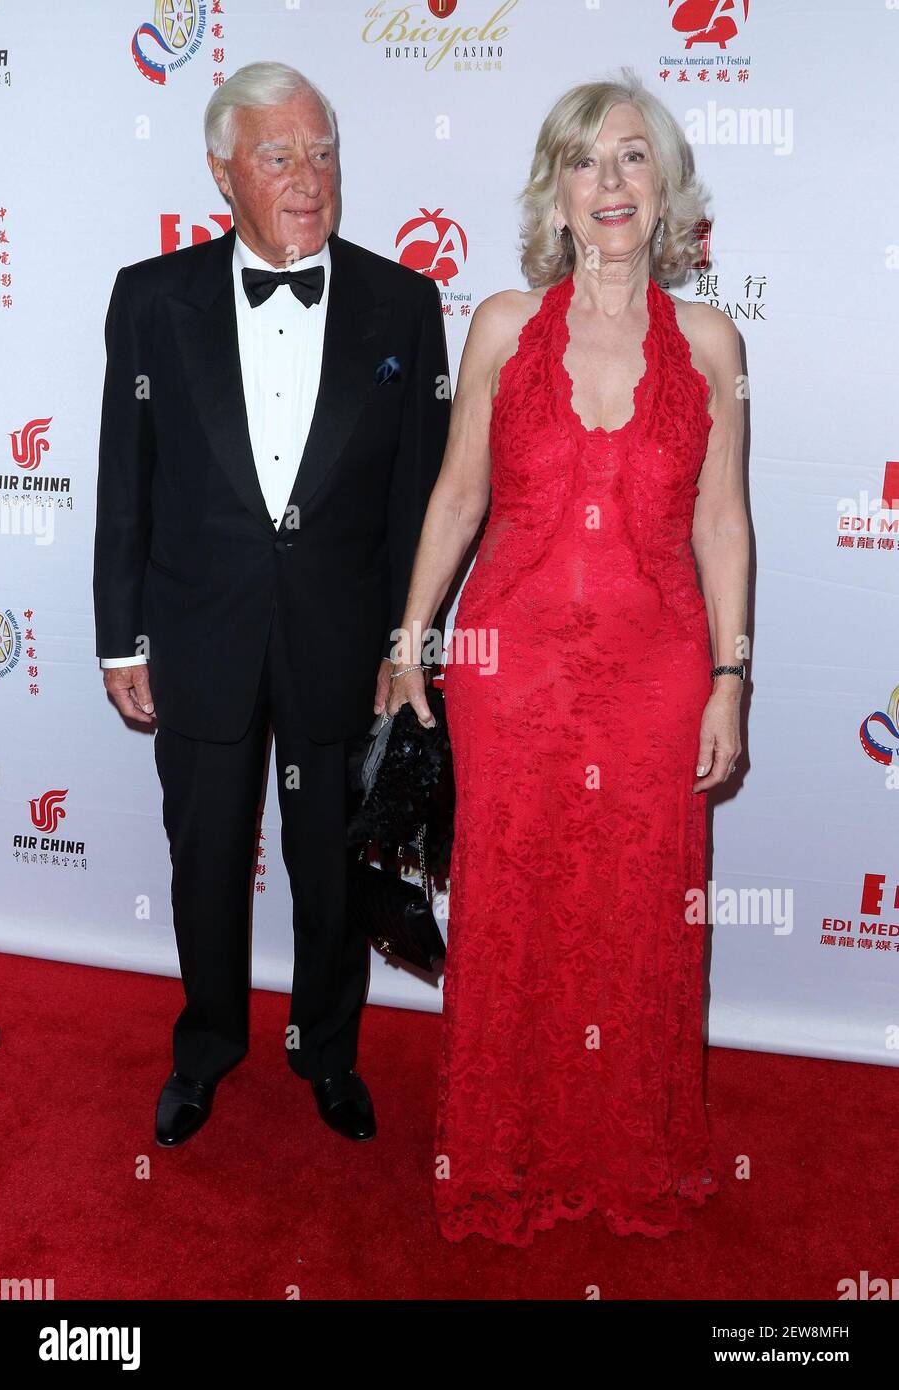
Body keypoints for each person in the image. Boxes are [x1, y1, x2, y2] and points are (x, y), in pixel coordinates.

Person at [387, 71, 748, 1245]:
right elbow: (454, 496)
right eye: (586, 161)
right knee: (514, 911)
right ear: (553, 191)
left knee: (638, 911)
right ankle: (504, 1150)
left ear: (667, 192)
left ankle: (630, 1150)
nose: (610, 182)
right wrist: (411, 642)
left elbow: (722, 522)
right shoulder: (499, 324)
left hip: (655, 677)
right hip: (513, 677)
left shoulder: (708, 341)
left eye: (633, 158)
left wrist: (730, 680)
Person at [93, 62, 450, 1148]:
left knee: (331, 870)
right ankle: (204, 1047)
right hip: (198, 631)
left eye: (323, 152)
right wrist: (119, 637)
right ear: (221, 172)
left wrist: (407, 645)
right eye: (279, 155)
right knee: (204, 860)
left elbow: (418, 500)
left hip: (342, 643)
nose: (309, 177)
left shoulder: (403, 300)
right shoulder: (151, 298)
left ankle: (327, 1051)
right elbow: (125, 479)